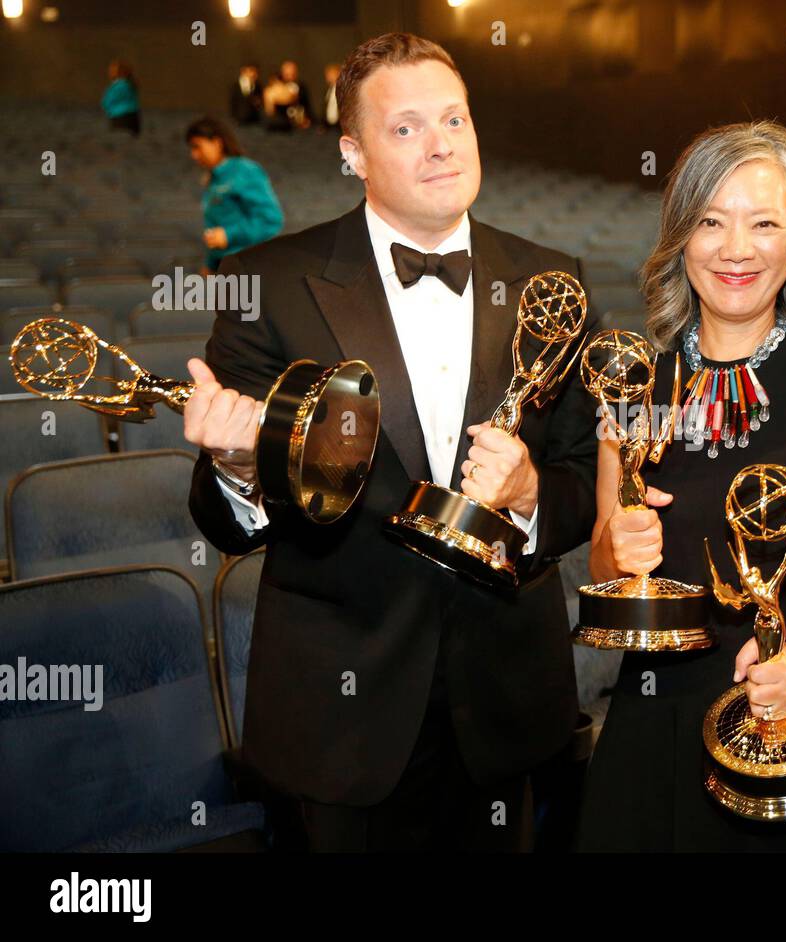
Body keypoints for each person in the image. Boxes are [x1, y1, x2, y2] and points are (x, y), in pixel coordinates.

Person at [182, 32, 597, 852]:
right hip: (341, 717)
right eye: (406, 128)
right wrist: (238, 467)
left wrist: (530, 498)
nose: (442, 145)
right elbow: (223, 522)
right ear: (353, 153)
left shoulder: (556, 280)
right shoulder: (268, 283)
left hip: (508, 701)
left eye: (455, 119)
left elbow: (583, 478)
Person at [575, 121, 786, 852]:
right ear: (680, 239)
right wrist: (615, 545)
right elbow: (604, 572)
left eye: (763, 223)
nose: (735, 248)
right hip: (656, 721)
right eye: (711, 222)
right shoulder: (634, 390)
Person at [185, 117, 284, 274]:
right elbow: (216, 227)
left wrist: (229, 235)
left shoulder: (244, 171)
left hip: (247, 266)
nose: (194, 155)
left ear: (217, 143)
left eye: (197, 147)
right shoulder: (213, 178)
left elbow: (270, 220)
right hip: (223, 265)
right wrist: (210, 265)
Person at [263, 59, 312, 131]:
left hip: (298, 123)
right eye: (287, 74)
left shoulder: (301, 87)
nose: (290, 76)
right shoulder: (276, 88)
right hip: (281, 122)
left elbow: (305, 105)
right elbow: (270, 109)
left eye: (293, 73)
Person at [101, 60, 139, 136]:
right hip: (132, 118)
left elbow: (106, 102)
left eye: (112, 70)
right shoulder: (130, 85)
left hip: (119, 119)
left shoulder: (118, 86)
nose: (109, 72)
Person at [321, 63, 342, 130]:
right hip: (329, 126)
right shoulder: (328, 90)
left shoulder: (343, 90)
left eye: (330, 74)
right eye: (327, 75)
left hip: (339, 127)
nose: (328, 77)